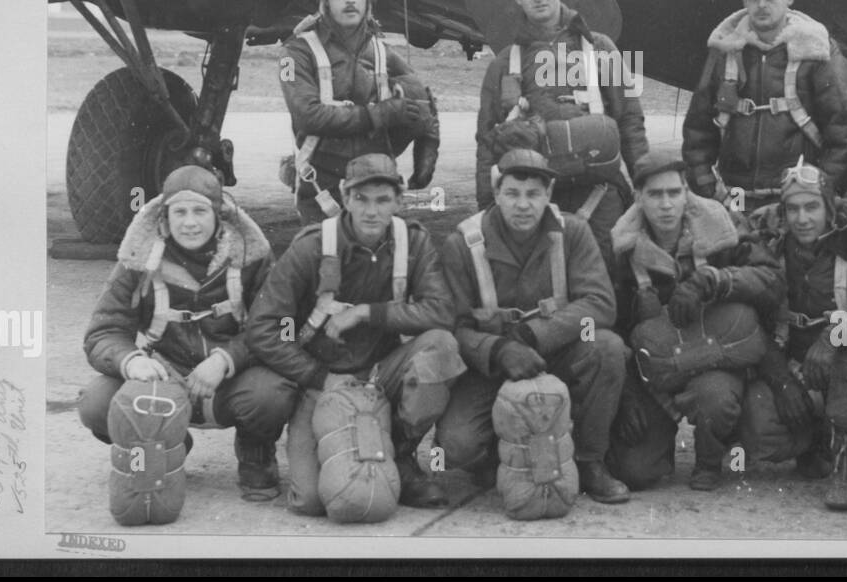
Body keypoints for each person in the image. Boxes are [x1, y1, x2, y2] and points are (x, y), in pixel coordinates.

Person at [246, 154, 465, 511]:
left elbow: (441, 310)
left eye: (382, 200)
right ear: (345, 198)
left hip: (381, 375)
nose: (371, 211)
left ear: (398, 201)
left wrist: (368, 313)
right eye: (361, 199)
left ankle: (402, 452)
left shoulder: (413, 242)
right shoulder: (312, 246)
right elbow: (263, 328)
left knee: (440, 347)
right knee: (311, 501)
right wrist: (317, 376)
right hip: (319, 382)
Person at [79, 165, 290, 499]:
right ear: (165, 217)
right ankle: (166, 442)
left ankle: (256, 454)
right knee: (95, 403)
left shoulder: (250, 257)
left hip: (229, 381)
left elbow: (279, 327)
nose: (190, 223)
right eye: (180, 212)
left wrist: (226, 359)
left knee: (273, 394)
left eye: (200, 211)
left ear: (219, 214)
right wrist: (131, 361)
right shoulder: (138, 260)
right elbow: (102, 333)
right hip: (164, 380)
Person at [436, 148, 631, 504]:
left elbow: (600, 303)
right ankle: (495, 456)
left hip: (556, 352)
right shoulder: (461, 244)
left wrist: (533, 334)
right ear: (496, 194)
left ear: (549, 194)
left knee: (606, 347)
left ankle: (590, 461)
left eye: (533, 194)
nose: (522, 205)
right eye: (512, 193)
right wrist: (498, 349)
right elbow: (452, 327)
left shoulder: (572, 231)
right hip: (490, 365)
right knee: (456, 447)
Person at [604, 148, 782, 491]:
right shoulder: (621, 249)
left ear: (687, 193)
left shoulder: (720, 225)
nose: (666, 204)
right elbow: (612, 324)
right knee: (637, 471)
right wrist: (627, 397)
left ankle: (712, 458)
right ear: (638, 198)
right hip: (657, 369)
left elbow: (771, 280)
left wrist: (714, 280)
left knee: (715, 398)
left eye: (674, 192)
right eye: (655, 194)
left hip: (716, 356)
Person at [474, 0, 649, 265]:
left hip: (600, 193)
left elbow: (630, 122)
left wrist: (645, 186)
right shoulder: (503, 65)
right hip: (536, 198)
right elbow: (487, 143)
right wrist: (487, 209)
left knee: (611, 280)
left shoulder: (601, 49)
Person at [741, 162, 847, 510]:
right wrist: (782, 381)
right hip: (797, 362)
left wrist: (833, 337)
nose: (802, 218)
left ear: (829, 208)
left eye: (812, 207)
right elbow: (753, 318)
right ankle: (814, 441)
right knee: (759, 425)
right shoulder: (770, 245)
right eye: (793, 209)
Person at [683, 0, 847, 213]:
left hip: (794, 203)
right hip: (734, 203)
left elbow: (844, 136)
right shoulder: (725, 52)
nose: (761, 4)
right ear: (744, 0)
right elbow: (697, 133)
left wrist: (818, 199)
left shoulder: (817, 52)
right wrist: (709, 192)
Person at [281, 0, 440, 224]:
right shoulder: (297, 51)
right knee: (325, 258)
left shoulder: (380, 51)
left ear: (368, 1)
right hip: (323, 181)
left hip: (376, 179)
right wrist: (378, 114)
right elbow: (307, 115)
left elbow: (422, 98)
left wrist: (428, 147)